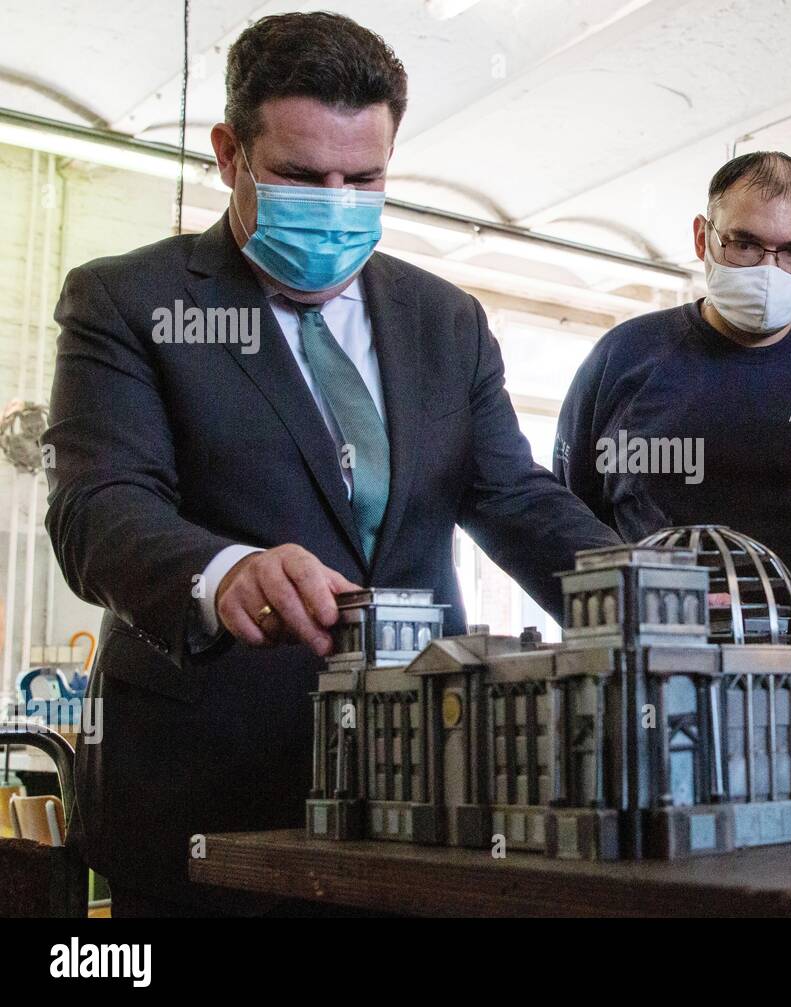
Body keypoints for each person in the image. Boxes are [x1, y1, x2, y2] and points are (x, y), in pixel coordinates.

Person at [43, 11, 618, 916]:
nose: (340, 201)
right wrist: (226, 571)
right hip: (206, 789)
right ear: (229, 152)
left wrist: (641, 589)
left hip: (418, 784)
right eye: (303, 177)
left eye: (367, 177)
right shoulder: (130, 302)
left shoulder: (446, 320)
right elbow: (97, 506)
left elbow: (515, 498)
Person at [555, 151, 791, 608]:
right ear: (702, 237)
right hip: (666, 662)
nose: (768, 271)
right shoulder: (622, 361)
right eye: (744, 244)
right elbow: (574, 523)